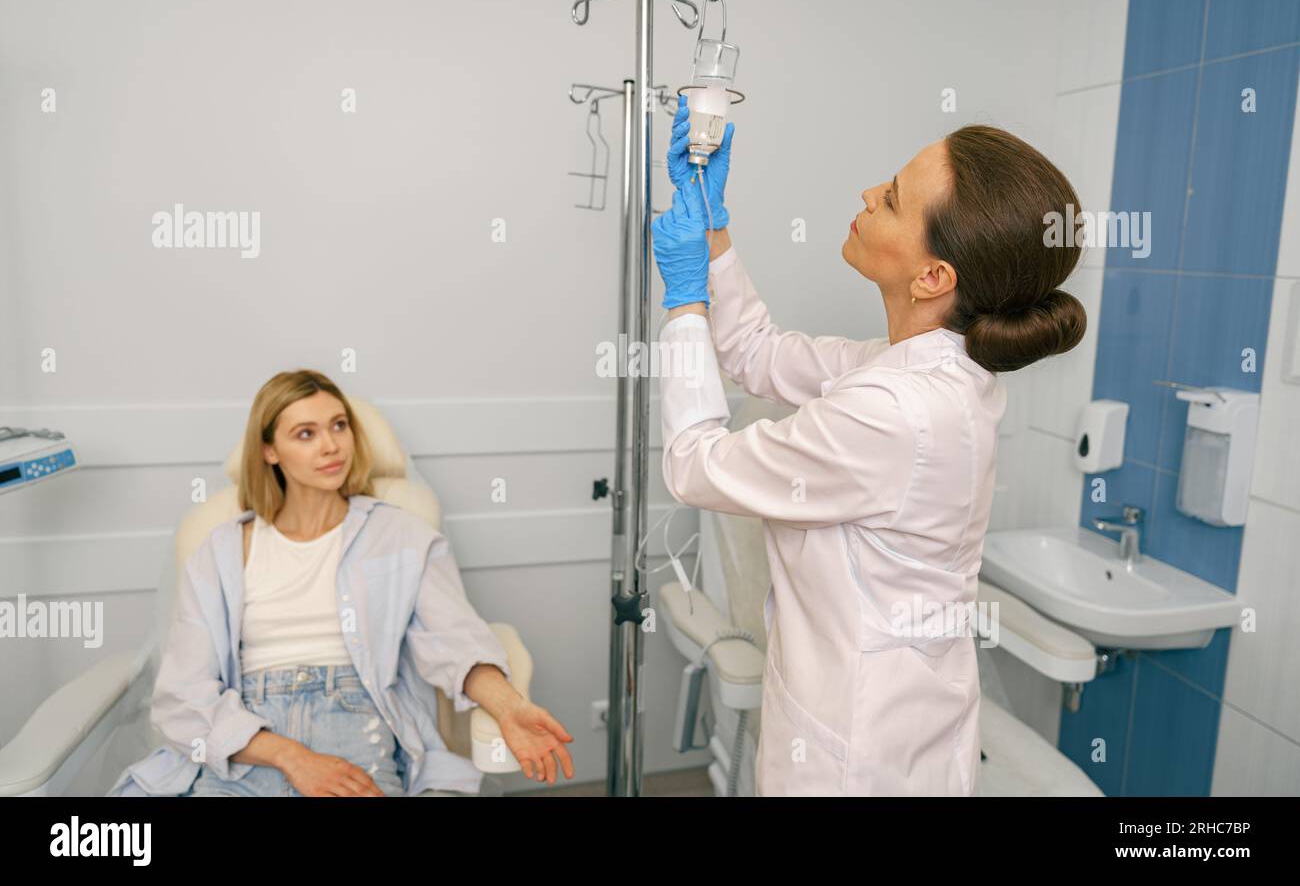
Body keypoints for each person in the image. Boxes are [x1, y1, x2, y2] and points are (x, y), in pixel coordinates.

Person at [651, 99, 1086, 795]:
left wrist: (683, 307)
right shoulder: (931, 370)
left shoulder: (893, 412)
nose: (866, 196)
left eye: (889, 200)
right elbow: (759, 354)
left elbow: (692, 464)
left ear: (933, 277)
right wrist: (712, 226)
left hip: (853, 751)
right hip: (908, 725)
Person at [108, 370, 574, 796]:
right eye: (305, 434)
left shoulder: (402, 536)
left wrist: (509, 706)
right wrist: (292, 757)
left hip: (355, 734)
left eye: (339, 426)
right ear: (270, 451)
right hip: (249, 745)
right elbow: (184, 693)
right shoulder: (220, 552)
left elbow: (455, 642)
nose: (331, 446)